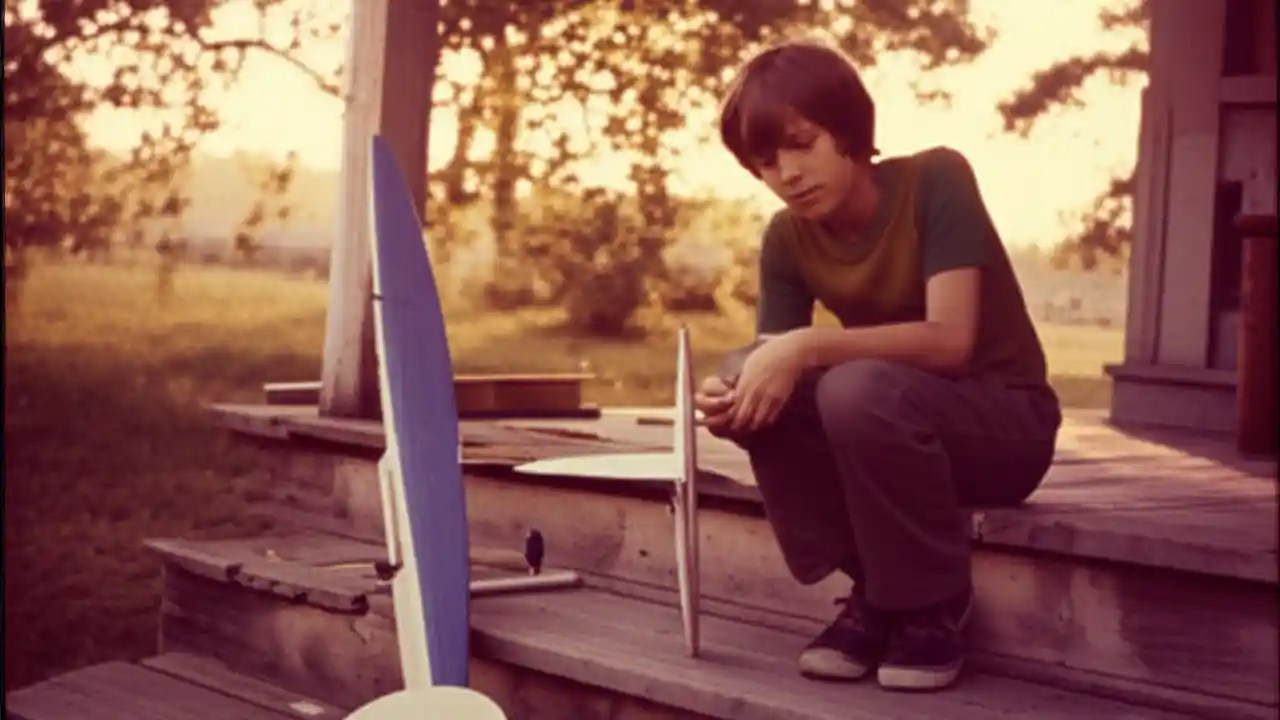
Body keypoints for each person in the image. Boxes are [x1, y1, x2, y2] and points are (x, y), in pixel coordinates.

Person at [696, 39, 1062, 692]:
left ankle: (931, 605)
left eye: (802, 143)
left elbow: (951, 341)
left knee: (854, 386)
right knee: (753, 378)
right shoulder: (787, 237)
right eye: (765, 161)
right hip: (891, 425)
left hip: (1004, 426)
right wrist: (736, 394)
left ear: (848, 127)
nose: (787, 173)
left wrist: (805, 347)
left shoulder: (936, 181)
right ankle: (874, 587)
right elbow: (780, 371)